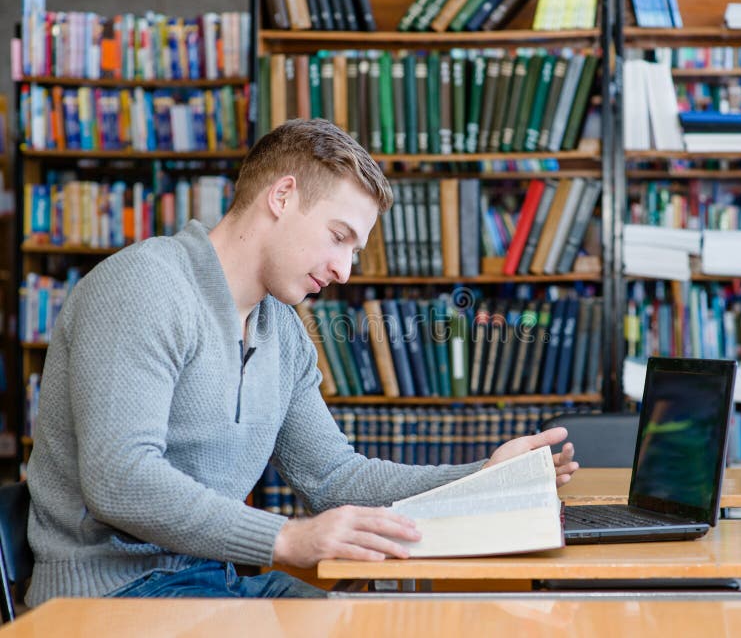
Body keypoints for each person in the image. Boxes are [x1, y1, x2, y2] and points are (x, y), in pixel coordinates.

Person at [25, 119, 578, 605]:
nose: (344, 271)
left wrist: (480, 478)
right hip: (108, 595)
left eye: (355, 251)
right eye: (339, 238)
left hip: (206, 582)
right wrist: (286, 539)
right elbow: (119, 479)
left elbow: (333, 477)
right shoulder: (145, 285)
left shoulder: (280, 329)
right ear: (282, 196)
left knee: (392, 622)